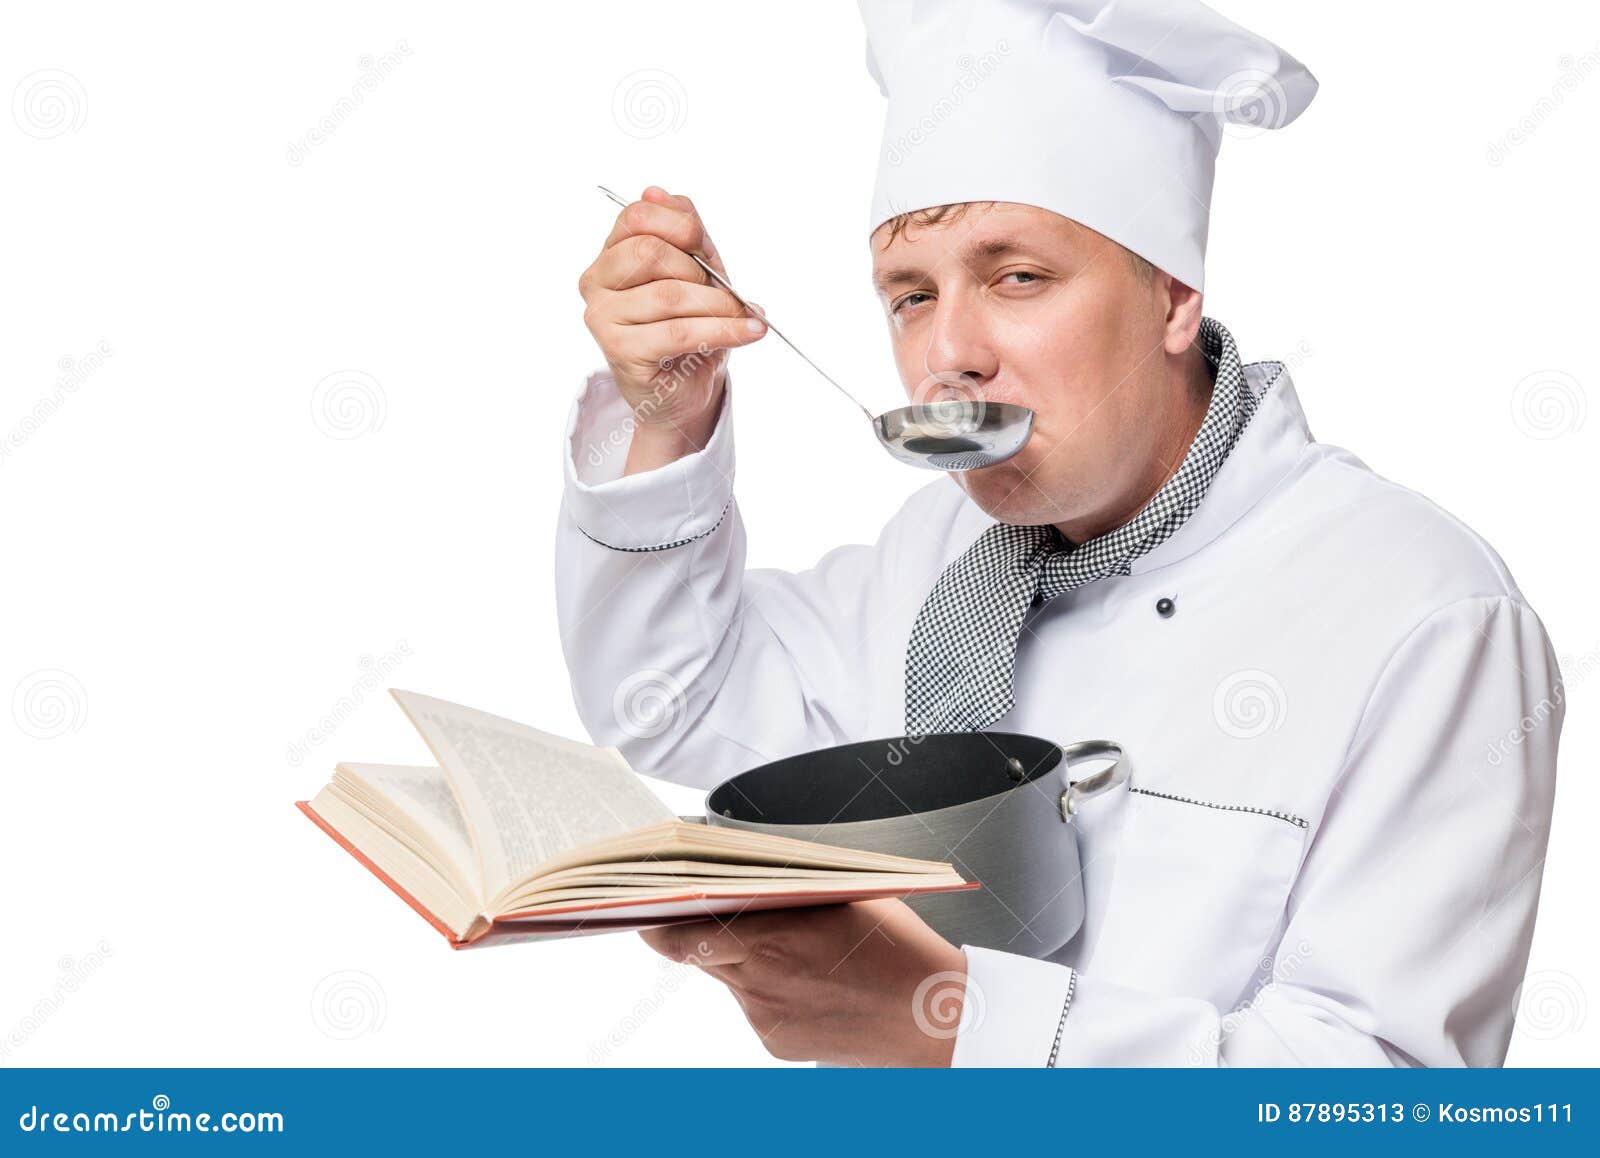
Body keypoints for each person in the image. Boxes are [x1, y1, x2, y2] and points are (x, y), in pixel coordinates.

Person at [556, 0, 1563, 1066]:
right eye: (908, 294)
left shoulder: (1423, 613)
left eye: (1015, 276)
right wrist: (666, 417)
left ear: (1172, 297)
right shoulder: (938, 561)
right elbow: (673, 699)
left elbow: (1379, 1100)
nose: (948, 352)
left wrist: (954, 1027)